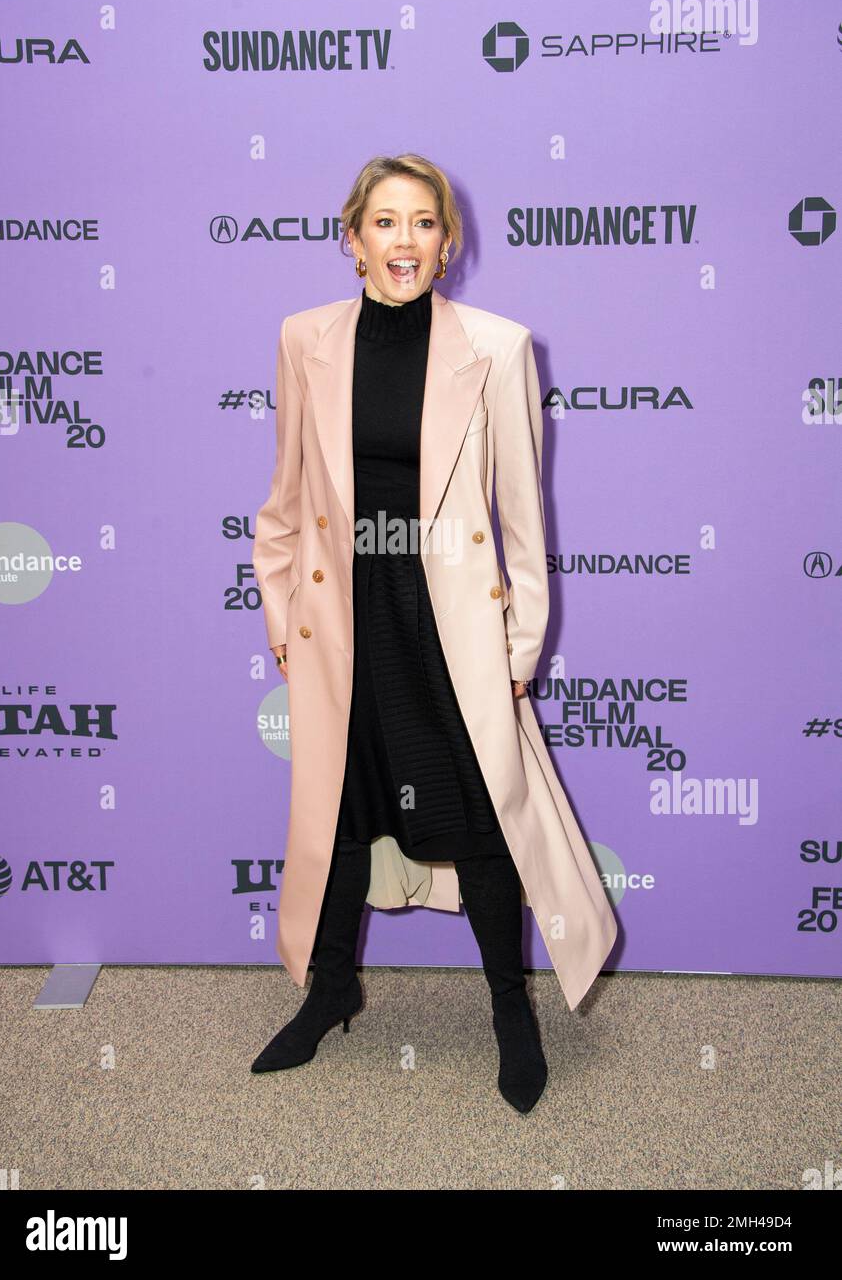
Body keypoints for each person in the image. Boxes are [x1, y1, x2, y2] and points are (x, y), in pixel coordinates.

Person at [250, 153, 617, 1114]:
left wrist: (519, 653)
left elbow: (524, 522)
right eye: (384, 222)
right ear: (352, 237)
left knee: (487, 817)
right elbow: (284, 502)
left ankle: (511, 1011)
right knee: (336, 811)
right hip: (342, 616)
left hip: (446, 623)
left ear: (447, 245)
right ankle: (328, 990)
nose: (403, 241)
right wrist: (283, 619)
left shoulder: (498, 347)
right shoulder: (303, 339)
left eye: (423, 224)